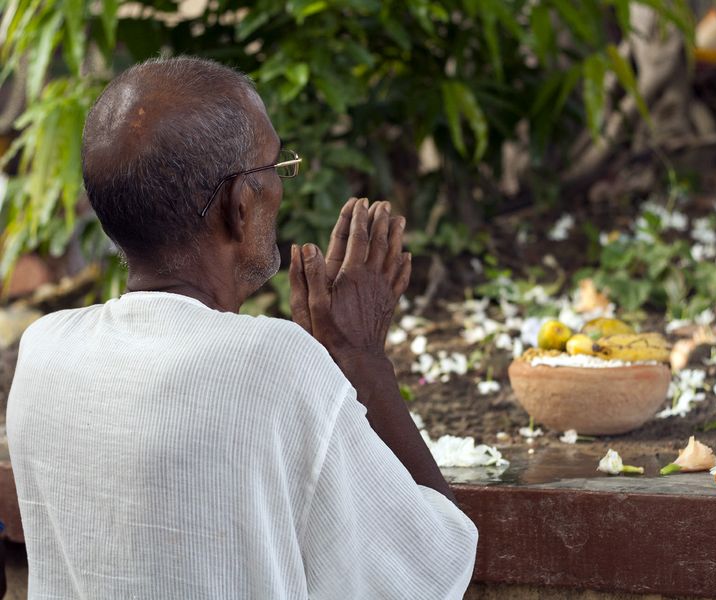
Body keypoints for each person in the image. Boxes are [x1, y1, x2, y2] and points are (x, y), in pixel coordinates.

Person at [6, 57, 477, 599]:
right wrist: (362, 361)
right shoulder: (272, 361)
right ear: (240, 203)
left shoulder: (44, 351)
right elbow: (432, 564)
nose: (280, 184)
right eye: (274, 167)